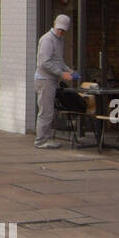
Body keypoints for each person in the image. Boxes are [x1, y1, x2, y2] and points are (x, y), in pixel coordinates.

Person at [35, 14, 81, 150]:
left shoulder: (58, 40)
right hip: (44, 80)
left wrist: (68, 70)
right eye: (59, 29)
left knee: (48, 111)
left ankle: (47, 138)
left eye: (63, 30)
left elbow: (58, 60)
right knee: (46, 111)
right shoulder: (47, 40)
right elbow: (45, 63)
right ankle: (41, 140)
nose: (60, 32)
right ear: (54, 24)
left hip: (50, 79)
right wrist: (62, 74)